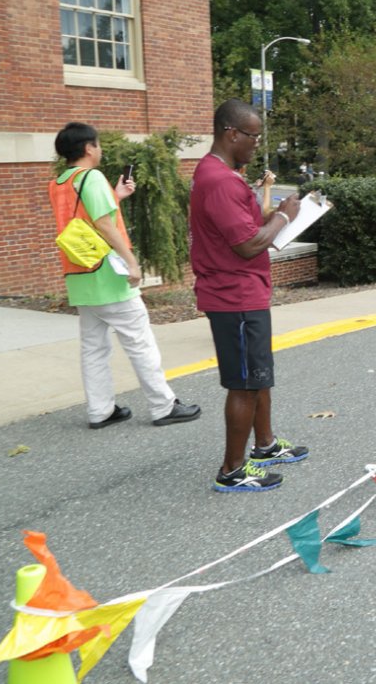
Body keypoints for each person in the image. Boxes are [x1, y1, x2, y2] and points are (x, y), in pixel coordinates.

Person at [48, 123, 201, 429]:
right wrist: (132, 261)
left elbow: (85, 219)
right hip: (108, 275)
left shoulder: (60, 182)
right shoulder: (91, 177)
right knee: (139, 341)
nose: (100, 149)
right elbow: (104, 225)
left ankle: (100, 410)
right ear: (88, 148)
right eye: (98, 144)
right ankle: (163, 406)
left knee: (93, 347)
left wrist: (115, 195)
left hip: (80, 274)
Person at [190, 99, 309, 493]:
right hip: (234, 297)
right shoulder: (220, 180)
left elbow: (244, 225)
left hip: (245, 293)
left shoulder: (224, 175)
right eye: (253, 137)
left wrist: (277, 213)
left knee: (259, 376)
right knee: (243, 383)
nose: (257, 144)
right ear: (231, 133)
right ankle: (232, 470)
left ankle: (265, 446)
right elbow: (246, 244)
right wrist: (285, 217)